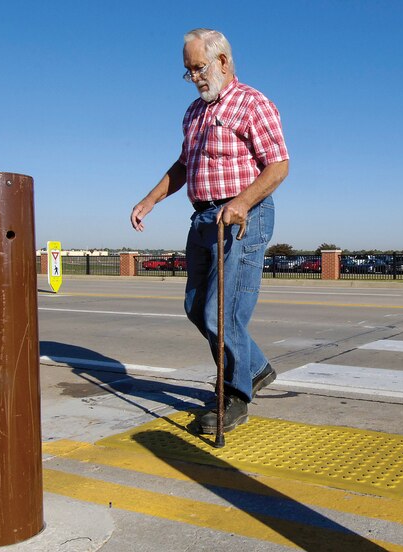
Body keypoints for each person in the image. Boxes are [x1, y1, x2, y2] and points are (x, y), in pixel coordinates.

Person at [130, 28, 289, 434]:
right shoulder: (194, 113)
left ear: (222, 61)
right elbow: (184, 165)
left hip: (242, 216)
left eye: (198, 67)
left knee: (224, 313)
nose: (195, 77)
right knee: (195, 307)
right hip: (202, 218)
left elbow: (278, 165)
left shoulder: (253, 103)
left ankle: (233, 396)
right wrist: (151, 199)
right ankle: (253, 368)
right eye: (188, 71)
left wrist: (241, 202)